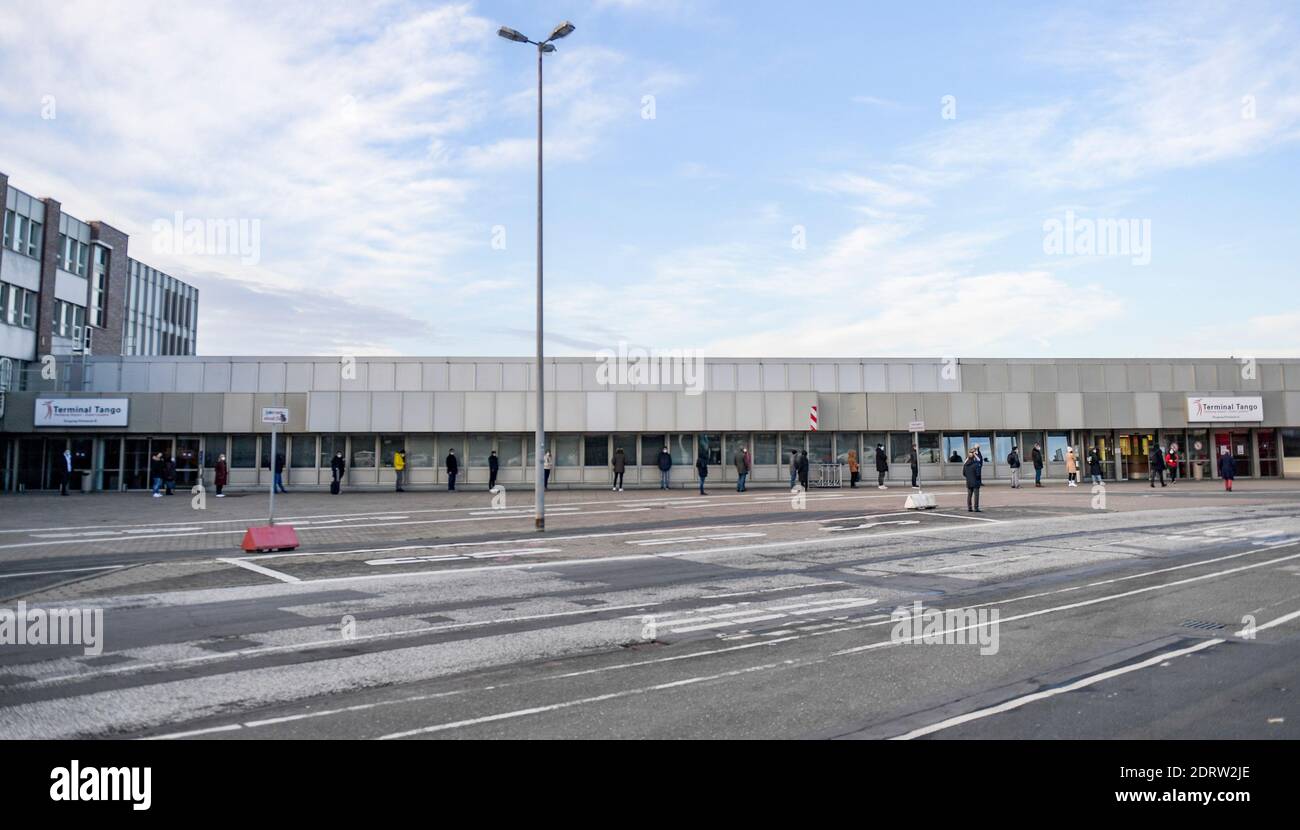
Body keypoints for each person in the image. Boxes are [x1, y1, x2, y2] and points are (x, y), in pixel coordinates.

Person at [963, 448, 983, 512]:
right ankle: (976, 507)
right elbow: (978, 474)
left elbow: (964, 473)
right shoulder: (976, 464)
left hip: (968, 481)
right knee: (976, 495)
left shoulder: (965, 464)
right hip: (975, 481)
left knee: (969, 495)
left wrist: (969, 477)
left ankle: (969, 507)